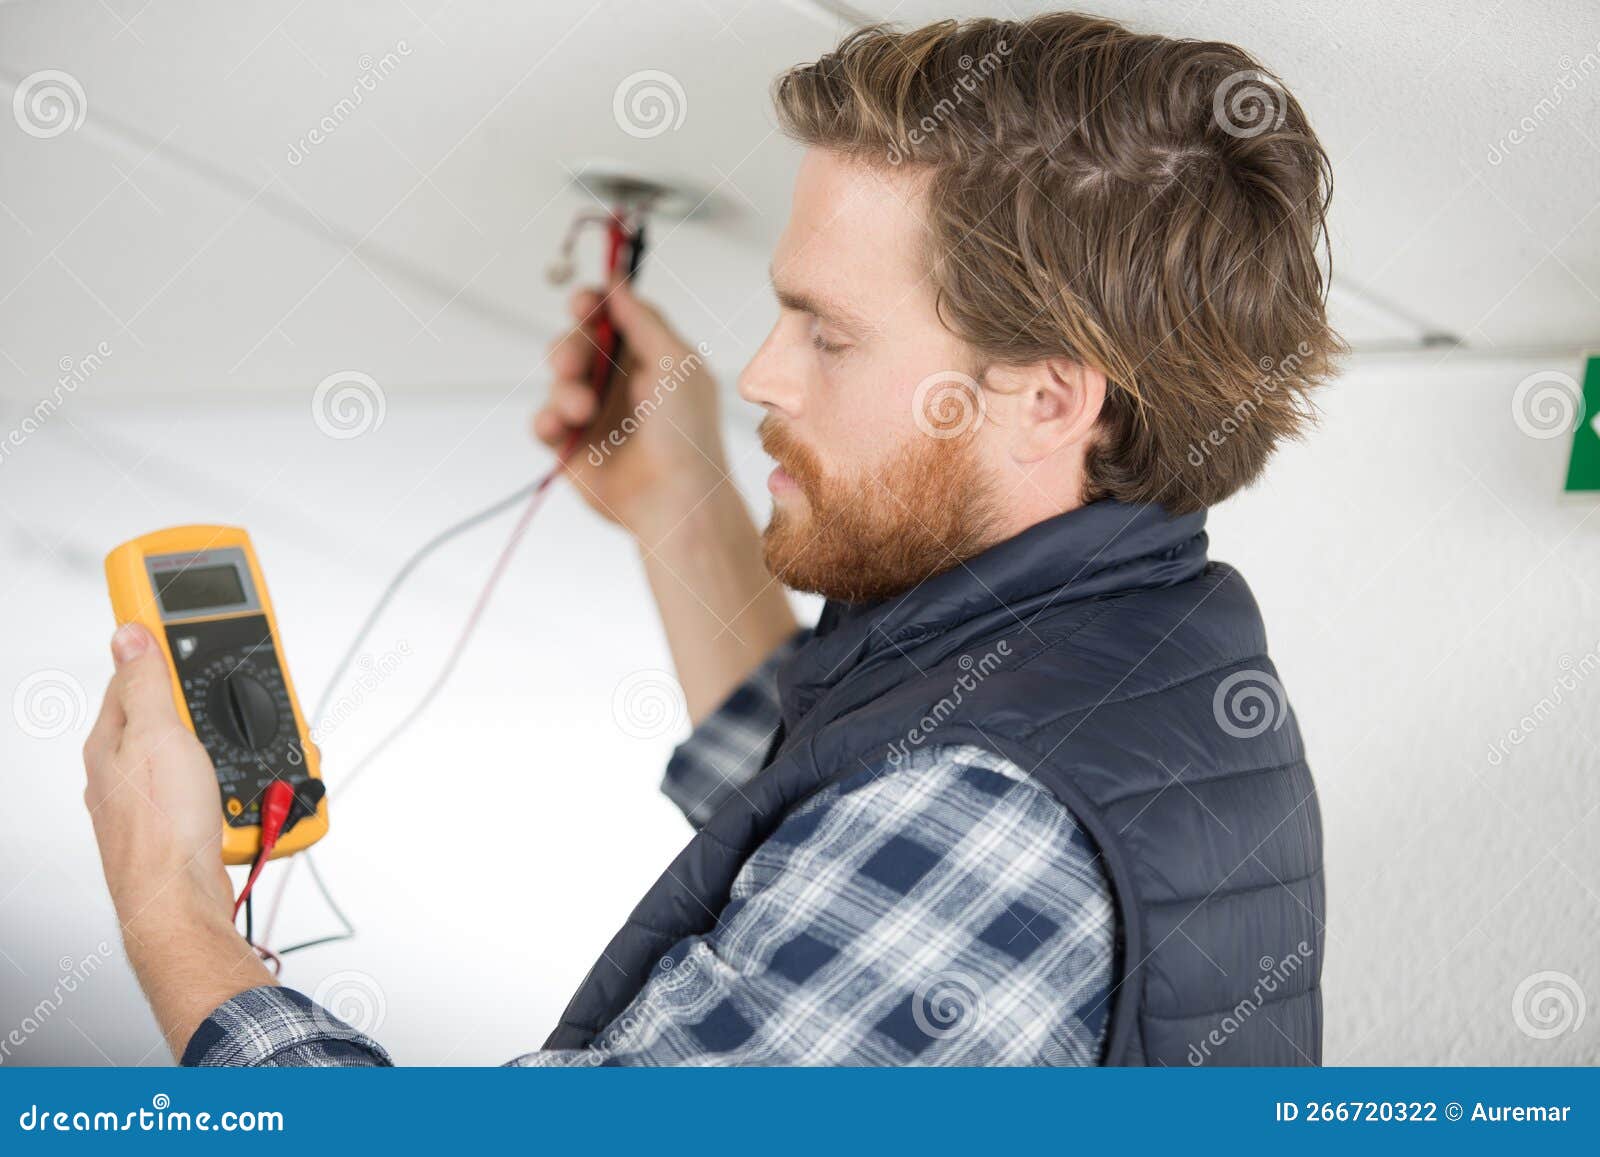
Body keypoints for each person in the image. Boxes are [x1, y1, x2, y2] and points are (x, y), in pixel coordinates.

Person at [83, 12, 1337, 1067]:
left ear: (1048, 399)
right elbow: (826, 777)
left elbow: (906, 820)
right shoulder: (1119, 643)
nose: (757, 375)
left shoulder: (984, 820)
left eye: (828, 334)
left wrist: (175, 912)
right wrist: (677, 500)